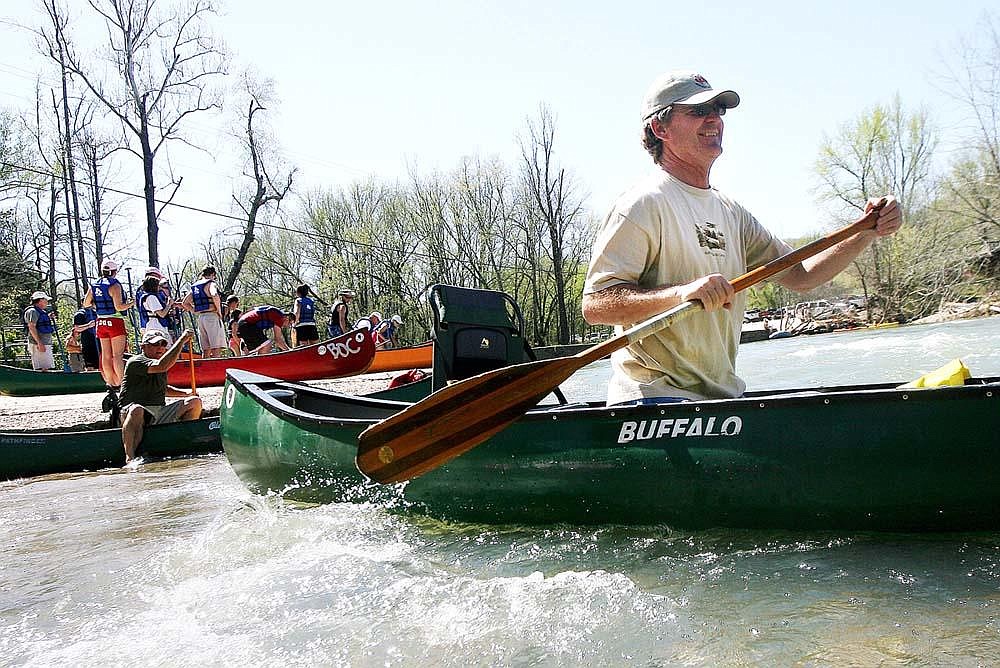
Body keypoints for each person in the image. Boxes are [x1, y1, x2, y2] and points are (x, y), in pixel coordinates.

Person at [581, 71, 902, 405]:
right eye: (697, 111)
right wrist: (682, 294)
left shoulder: (732, 213)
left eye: (718, 110)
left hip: (720, 400)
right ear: (660, 129)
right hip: (653, 401)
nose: (713, 120)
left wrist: (866, 230)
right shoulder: (643, 204)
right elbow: (596, 305)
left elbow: (803, 275)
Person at [119, 329, 202, 463]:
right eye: (155, 344)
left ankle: (186, 444)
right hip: (132, 412)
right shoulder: (136, 362)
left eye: (163, 344)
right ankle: (130, 458)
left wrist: (186, 394)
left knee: (194, 402)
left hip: (158, 411)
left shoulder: (160, 363)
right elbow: (162, 366)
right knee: (137, 409)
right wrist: (181, 340)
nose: (160, 348)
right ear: (143, 346)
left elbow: (163, 389)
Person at [82, 258, 134, 389]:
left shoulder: (94, 285)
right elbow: (119, 307)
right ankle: (123, 383)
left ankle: (110, 382)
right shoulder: (114, 285)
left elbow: (86, 303)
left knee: (105, 354)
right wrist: (132, 303)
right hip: (115, 321)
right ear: (114, 271)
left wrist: (96, 304)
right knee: (117, 355)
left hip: (101, 321)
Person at [182, 266, 227, 358]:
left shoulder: (195, 287)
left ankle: (204, 370)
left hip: (201, 318)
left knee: (205, 349)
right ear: (213, 274)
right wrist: (219, 311)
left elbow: (185, 302)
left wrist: (195, 311)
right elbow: (214, 294)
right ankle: (216, 369)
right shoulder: (211, 284)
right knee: (216, 348)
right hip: (212, 316)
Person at [136, 274, 174, 344]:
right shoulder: (151, 298)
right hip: (156, 326)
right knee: (166, 348)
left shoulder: (148, 297)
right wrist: (169, 304)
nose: (159, 287)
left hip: (153, 325)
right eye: (158, 285)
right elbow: (161, 314)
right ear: (153, 286)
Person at [23, 291, 55, 371]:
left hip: (45, 343)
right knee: (41, 368)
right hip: (38, 344)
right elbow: (31, 327)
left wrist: (48, 317)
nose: (47, 302)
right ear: (40, 300)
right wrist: (39, 343)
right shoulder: (32, 311)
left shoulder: (40, 312)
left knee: (46, 367)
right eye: (45, 300)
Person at [72, 305, 99, 370]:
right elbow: (77, 328)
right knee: (90, 366)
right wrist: (88, 325)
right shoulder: (80, 314)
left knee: (100, 365)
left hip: (98, 342)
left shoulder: (96, 313)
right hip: (88, 343)